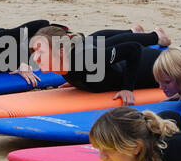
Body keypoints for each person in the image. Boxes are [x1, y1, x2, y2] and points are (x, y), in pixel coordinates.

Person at [30, 24, 171, 104]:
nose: (35, 58)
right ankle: (138, 33)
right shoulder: (64, 63)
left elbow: (132, 49)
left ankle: (156, 37)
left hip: (153, 67)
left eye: (40, 52)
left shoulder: (87, 59)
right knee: (94, 41)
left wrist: (127, 88)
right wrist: (77, 82)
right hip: (104, 59)